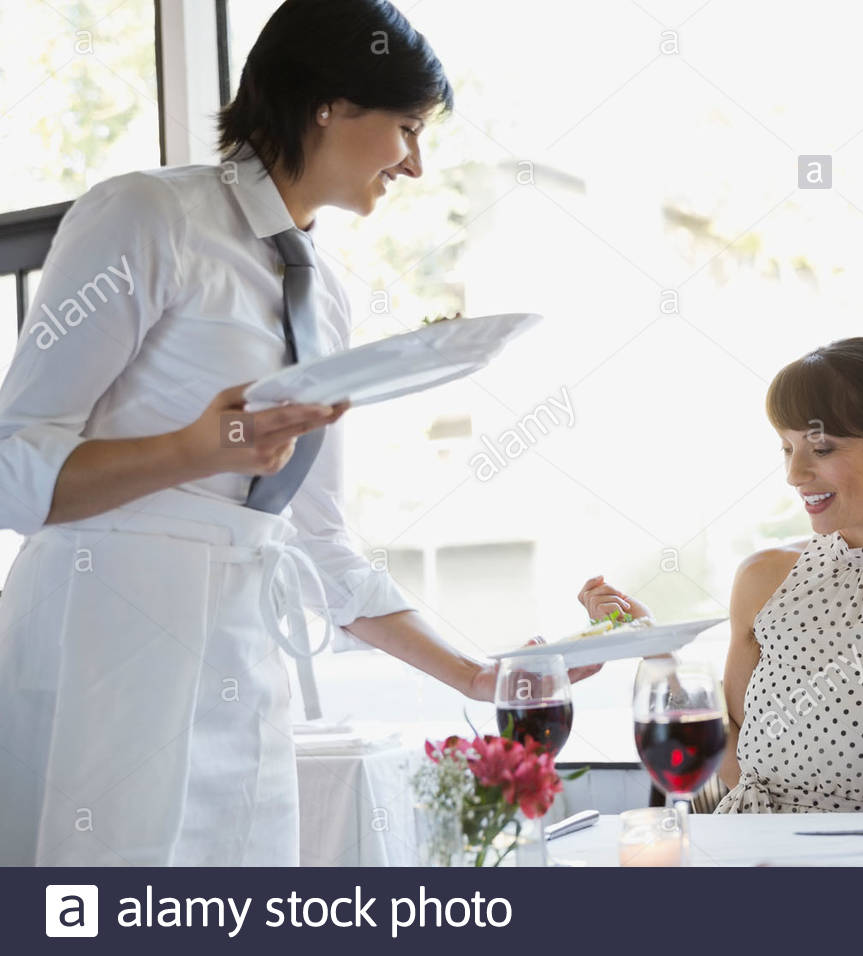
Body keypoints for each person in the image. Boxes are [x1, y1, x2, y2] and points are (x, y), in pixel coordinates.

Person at [0, 0, 593, 867]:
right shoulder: (146, 217)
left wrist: (479, 675)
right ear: (329, 103)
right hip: (107, 636)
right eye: (407, 128)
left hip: (242, 653)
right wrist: (196, 451)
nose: (416, 164)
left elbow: (317, 542)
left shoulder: (327, 292)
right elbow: (11, 462)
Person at [579, 337, 863, 812]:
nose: (795, 473)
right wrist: (657, 651)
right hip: (748, 849)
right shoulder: (763, 577)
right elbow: (736, 764)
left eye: (822, 449)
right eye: (787, 448)